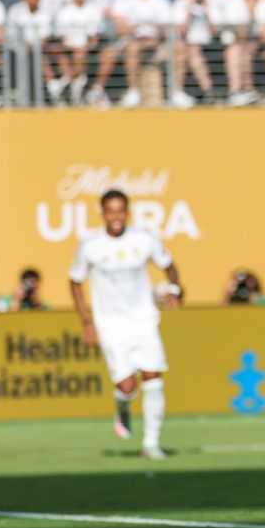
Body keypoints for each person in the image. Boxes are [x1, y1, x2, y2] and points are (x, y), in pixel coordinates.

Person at [69, 190, 181, 460]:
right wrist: (87, 322)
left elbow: (169, 266)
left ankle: (151, 443)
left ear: (127, 212)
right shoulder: (91, 246)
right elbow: (75, 282)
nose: (116, 217)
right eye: (111, 212)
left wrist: (174, 290)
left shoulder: (144, 240)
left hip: (144, 321)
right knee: (128, 387)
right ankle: (122, 405)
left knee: (153, 378)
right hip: (111, 326)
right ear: (103, 213)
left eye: (120, 211)